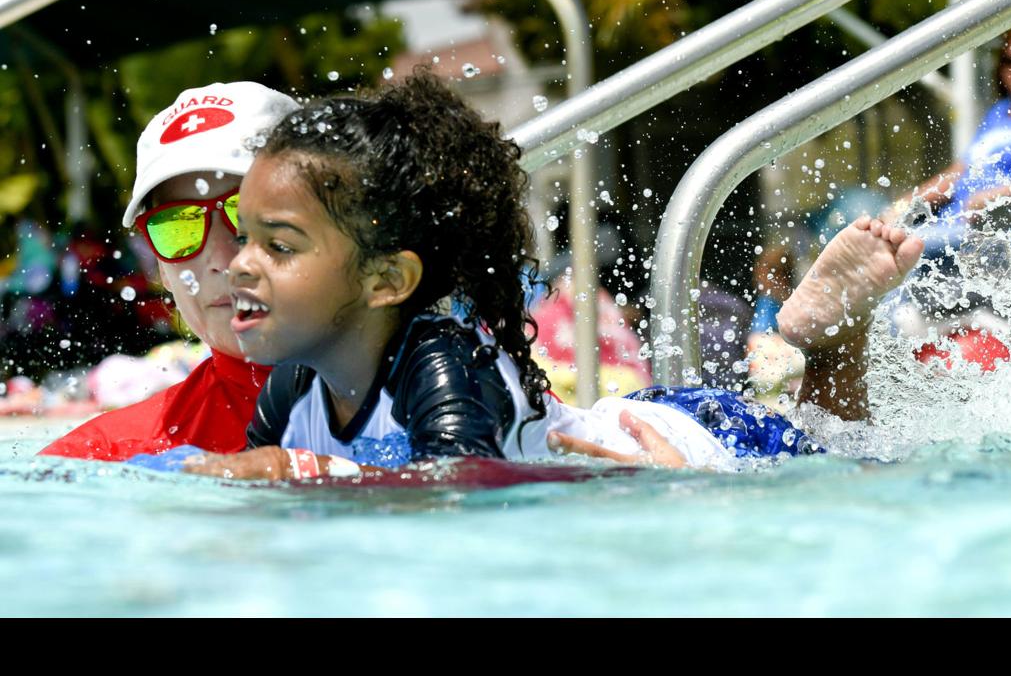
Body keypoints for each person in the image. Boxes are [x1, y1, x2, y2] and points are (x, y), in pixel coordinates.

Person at [170, 72, 920, 481]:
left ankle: (834, 338)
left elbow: (466, 492)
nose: (237, 262)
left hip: (683, 444)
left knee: (849, 466)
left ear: (385, 281)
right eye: (247, 236)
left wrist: (304, 472)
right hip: (603, 437)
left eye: (279, 244)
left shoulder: (440, 361)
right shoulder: (294, 386)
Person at [38, 83, 300, 460]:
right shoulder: (102, 455)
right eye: (178, 227)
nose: (225, 259)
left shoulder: (410, 406)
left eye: (248, 212)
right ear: (160, 266)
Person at [888, 23, 1011, 272]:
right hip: (956, 230)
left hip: (1008, 237)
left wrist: (993, 197)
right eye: (1010, 60)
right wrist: (902, 207)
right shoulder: (998, 114)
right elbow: (958, 174)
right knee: (886, 236)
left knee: (900, 253)